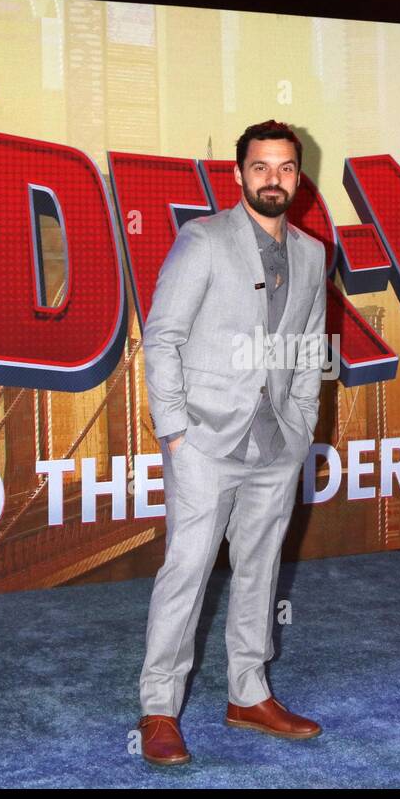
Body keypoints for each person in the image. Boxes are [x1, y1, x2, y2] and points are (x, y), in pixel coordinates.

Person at [136, 120, 328, 766]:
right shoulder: (204, 241)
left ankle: (249, 692)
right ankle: (159, 707)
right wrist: (176, 433)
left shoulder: (311, 254)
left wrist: (301, 426)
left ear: (298, 178)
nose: (272, 179)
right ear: (239, 173)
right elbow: (160, 338)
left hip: (276, 445)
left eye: (284, 168)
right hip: (205, 443)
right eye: (260, 167)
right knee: (187, 571)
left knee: (260, 571)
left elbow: (308, 350)